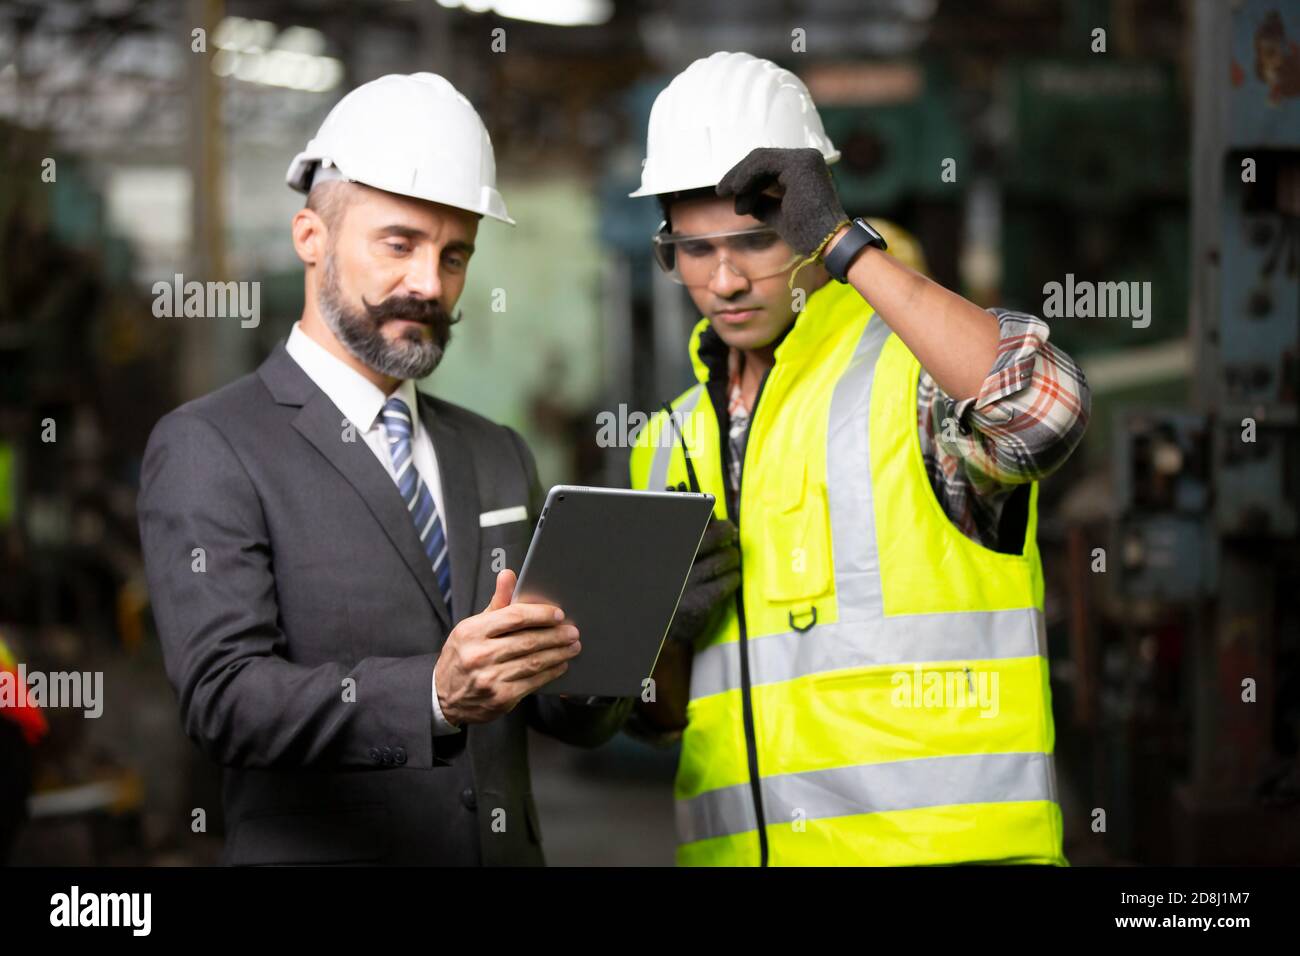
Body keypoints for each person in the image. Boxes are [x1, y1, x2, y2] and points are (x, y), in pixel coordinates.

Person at [138, 73, 629, 866]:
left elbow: (554, 709)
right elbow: (223, 700)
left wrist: (624, 644)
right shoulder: (209, 446)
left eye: (455, 254)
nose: (429, 285)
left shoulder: (494, 452)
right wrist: (431, 696)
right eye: (398, 244)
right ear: (311, 237)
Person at [626, 52, 1090, 866]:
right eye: (695, 251)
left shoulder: (914, 377)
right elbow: (659, 719)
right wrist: (656, 644)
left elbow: (1042, 415)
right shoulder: (664, 442)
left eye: (757, 239)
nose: (727, 280)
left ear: (807, 220)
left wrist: (848, 245)